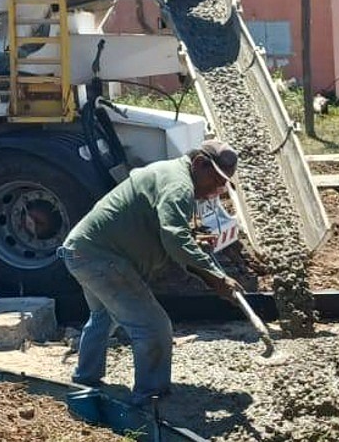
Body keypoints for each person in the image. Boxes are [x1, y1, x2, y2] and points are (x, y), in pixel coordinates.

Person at [57, 142, 244, 404]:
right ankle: (151, 398)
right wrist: (216, 277)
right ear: (200, 164)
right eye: (216, 180)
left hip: (82, 251)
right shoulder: (179, 186)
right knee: (153, 326)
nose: (217, 189)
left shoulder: (171, 174)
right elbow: (174, 238)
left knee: (103, 317)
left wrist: (195, 243)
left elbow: (166, 228)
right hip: (101, 258)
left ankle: (85, 379)